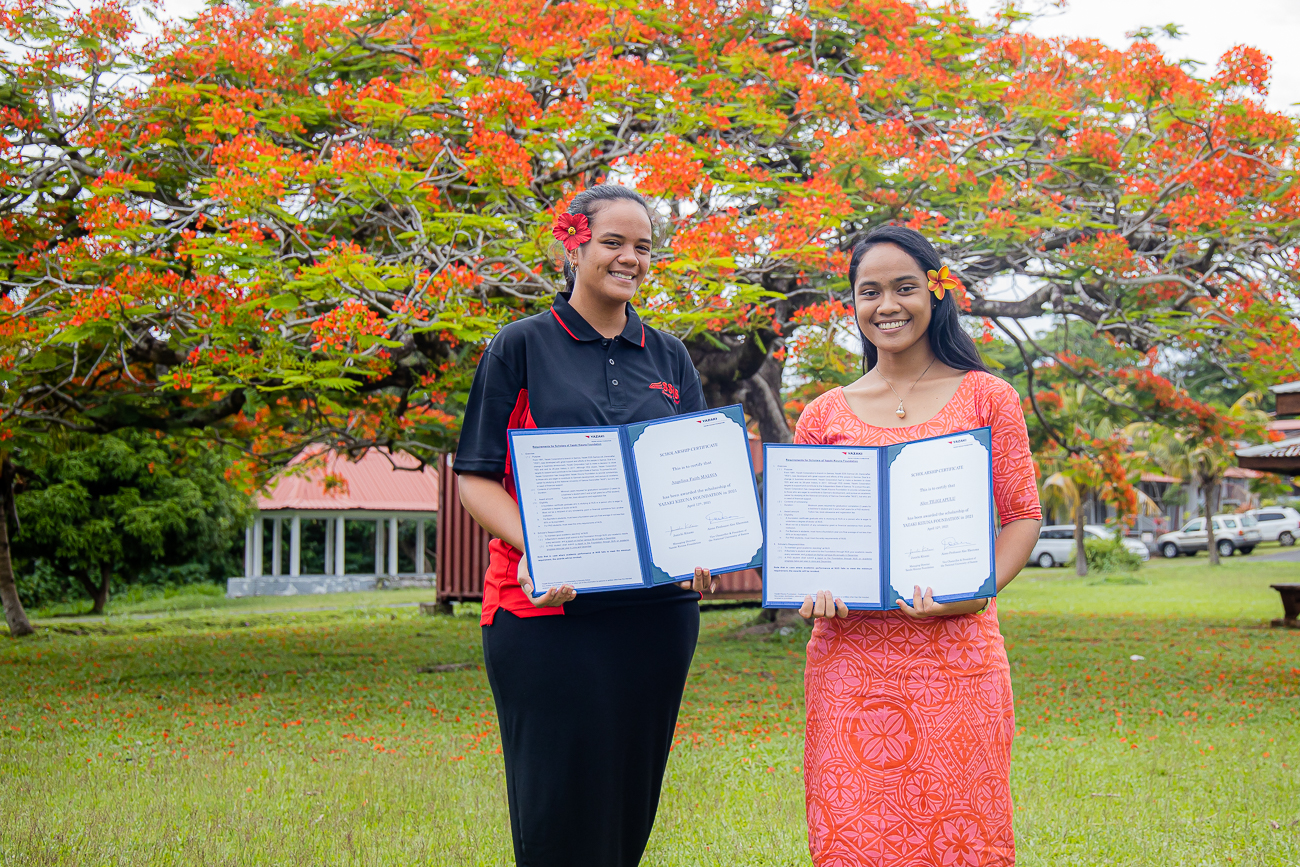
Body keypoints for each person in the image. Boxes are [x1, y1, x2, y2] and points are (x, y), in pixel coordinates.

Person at [454, 184, 716, 867]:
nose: (630, 258)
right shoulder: (519, 347)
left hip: (657, 617)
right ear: (574, 244)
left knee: (627, 812)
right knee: (554, 815)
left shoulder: (670, 357)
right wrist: (538, 545)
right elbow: (475, 477)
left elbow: (692, 478)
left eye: (644, 247)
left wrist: (705, 540)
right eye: (614, 242)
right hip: (547, 613)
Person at [794, 225, 1042, 866]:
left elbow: (1022, 516)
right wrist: (812, 589)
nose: (887, 305)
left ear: (936, 293)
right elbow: (812, 542)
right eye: (869, 291)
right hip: (850, 665)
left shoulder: (990, 398)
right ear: (852, 305)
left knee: (964, 836)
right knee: (857, 840)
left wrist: (974, 590)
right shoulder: (823, 416)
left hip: (959, 659)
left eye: (905, 287)